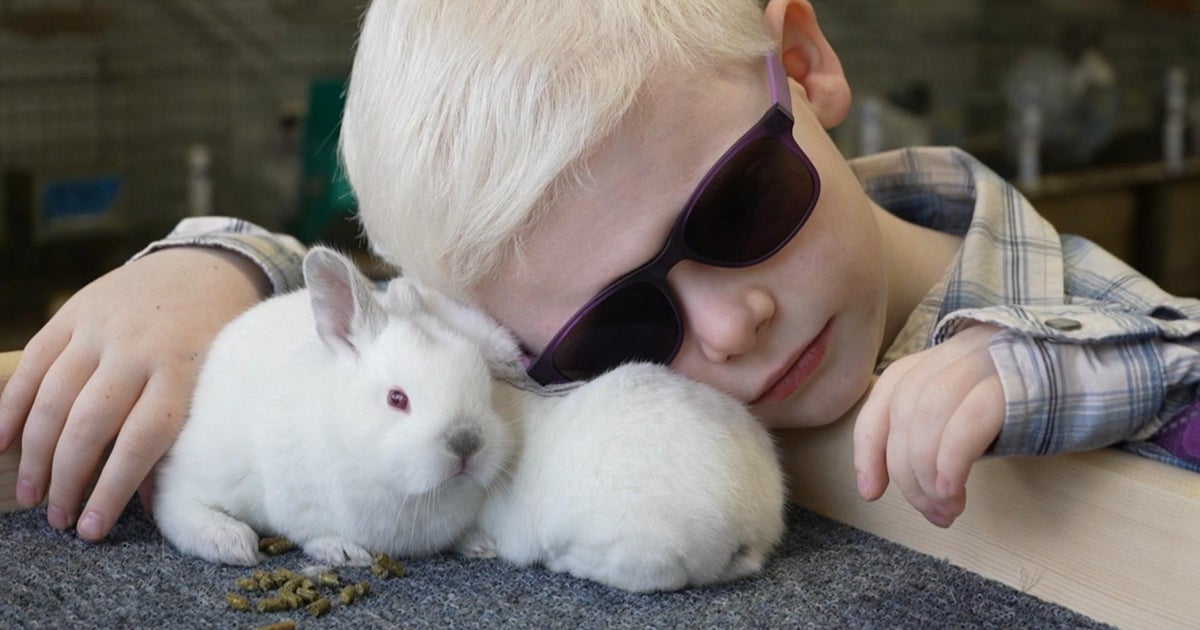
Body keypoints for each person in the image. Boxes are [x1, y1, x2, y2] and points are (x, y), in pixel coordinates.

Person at [1, 0, 1197, 543]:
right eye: (618, 330)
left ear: (801, 56)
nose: (726, 328)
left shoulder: (1058, 294)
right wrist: (207, 268)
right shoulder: (527, 316)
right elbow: (388, 320)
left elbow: (1179, 349)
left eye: (740, 203)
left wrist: (1030, 370)